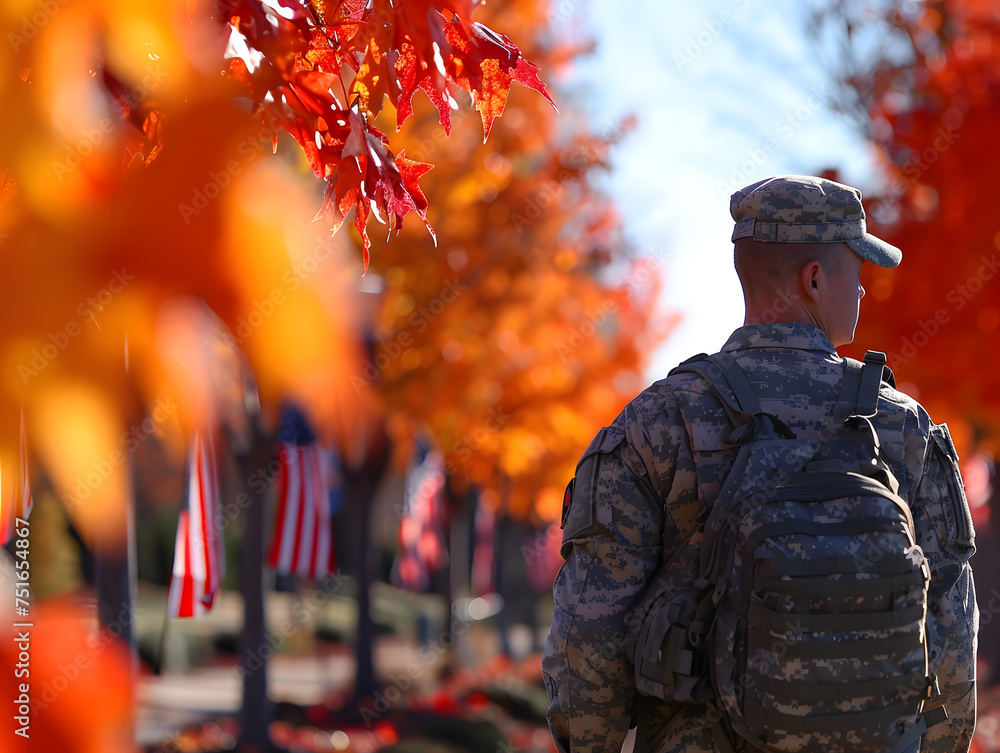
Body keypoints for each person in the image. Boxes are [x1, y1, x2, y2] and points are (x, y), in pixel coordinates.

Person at [542, 175, 978, 753]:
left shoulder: (658, 421)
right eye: (857, 271)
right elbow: (950, 627)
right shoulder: (901, 426)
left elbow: (589, 632)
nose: (865, 292)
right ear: (815, 279)